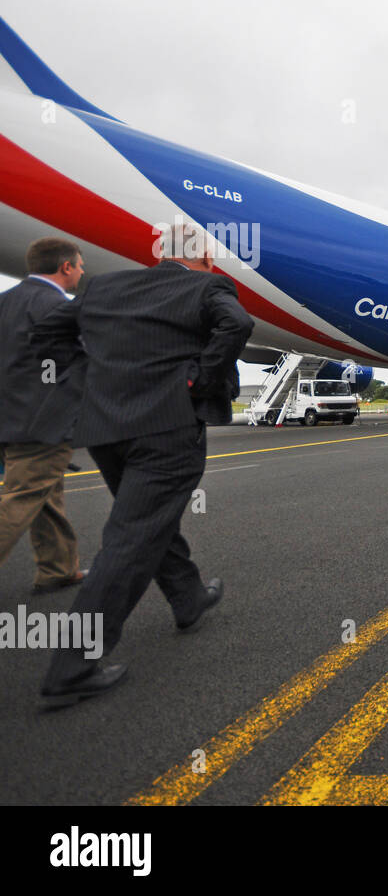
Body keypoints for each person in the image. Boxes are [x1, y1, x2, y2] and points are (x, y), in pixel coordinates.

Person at [34, 225, 253, 706]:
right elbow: (237, 325)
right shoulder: (207, 286)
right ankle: (72, 667)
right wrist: (196, 382)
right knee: (131, 537)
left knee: (146, 519)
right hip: (167, 427)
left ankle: (187, 596)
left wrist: (94, 379)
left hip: (106, 429)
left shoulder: (106, 286)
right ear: (206, 259)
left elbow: (48, 331)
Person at [0, 237, 87, 593]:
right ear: (65, 267)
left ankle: (58, 568)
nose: (82, 271)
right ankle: (58, 568)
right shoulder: (56, 306)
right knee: (20, 500)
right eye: (79, 265)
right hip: (43, 423)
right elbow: (78, 362)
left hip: (10, 420)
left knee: (45, 494)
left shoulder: (5, 302)